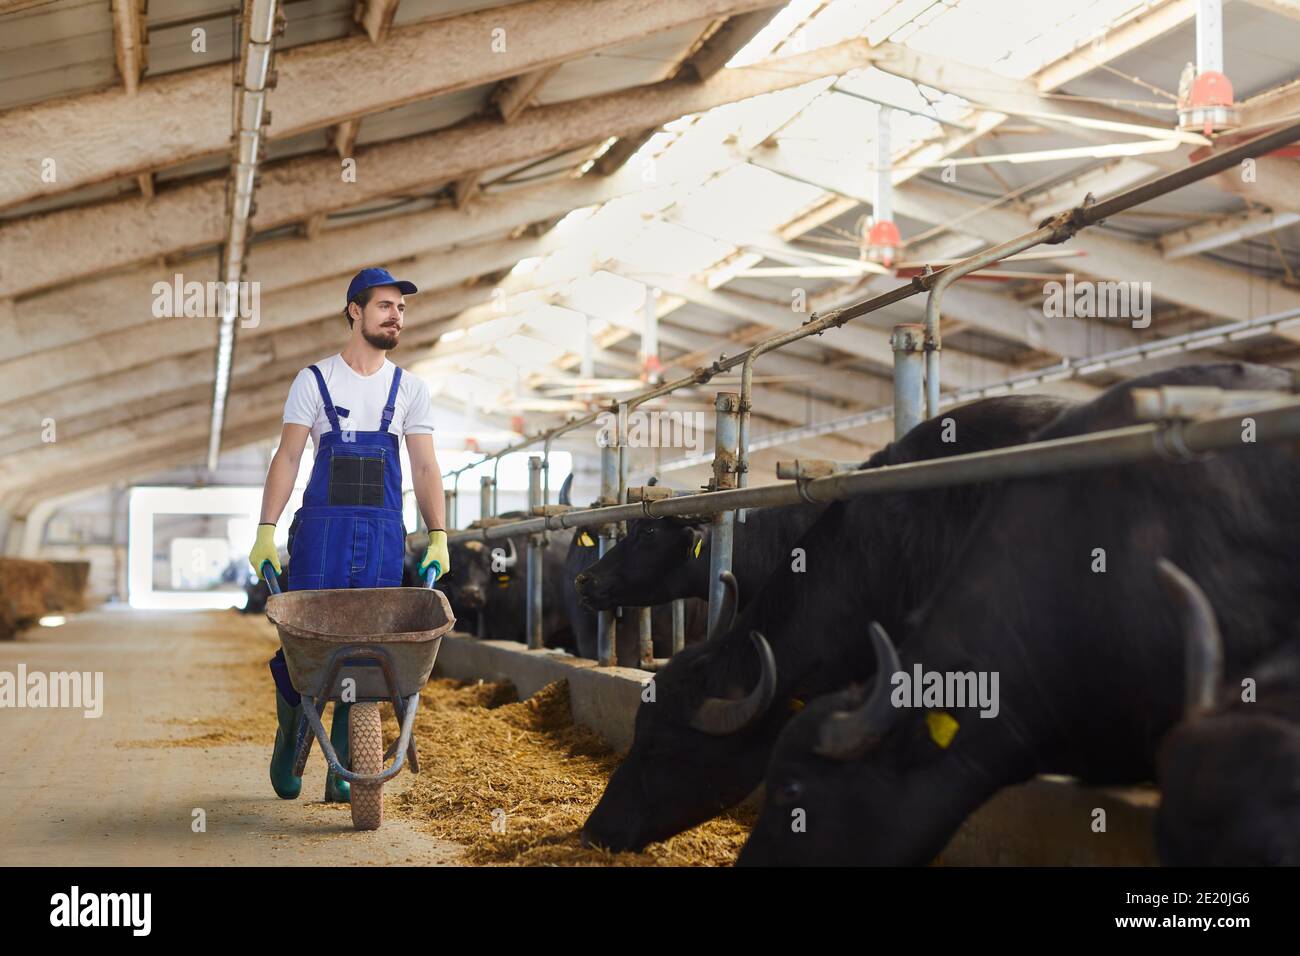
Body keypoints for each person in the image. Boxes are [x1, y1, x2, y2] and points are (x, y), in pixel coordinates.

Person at [248, 267, 451, 803]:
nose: (396, 316)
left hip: (384, 537)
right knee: (305, 650)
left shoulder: (410, 389)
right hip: (320, 537)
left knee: (367, 652)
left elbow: (426, 467)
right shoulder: (314, 381)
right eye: (385, 306)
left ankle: (344, 765)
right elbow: (289, 456)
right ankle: (291, 736)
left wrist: (439, 535)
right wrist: (266, 530)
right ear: (354, 311)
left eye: (401, 308)